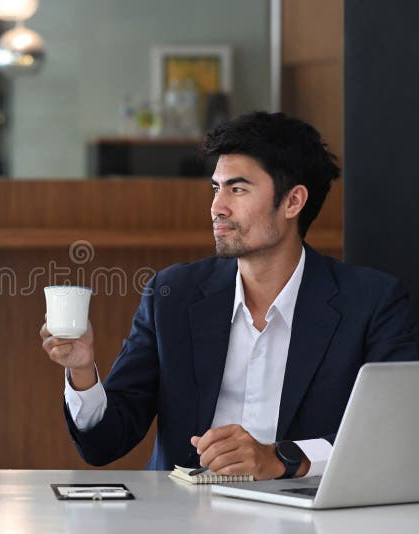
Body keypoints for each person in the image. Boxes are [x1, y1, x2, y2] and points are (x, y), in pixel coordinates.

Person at [41, 112, 419, 480]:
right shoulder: (173, 295)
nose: (217, 208)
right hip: (184, 510)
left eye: (237, 189)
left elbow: (396, 431)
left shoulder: (371, 302)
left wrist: (282, 459)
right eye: (216, 188)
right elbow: (104, 444)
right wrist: (82, 372)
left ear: (293, 201)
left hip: (301, 509)